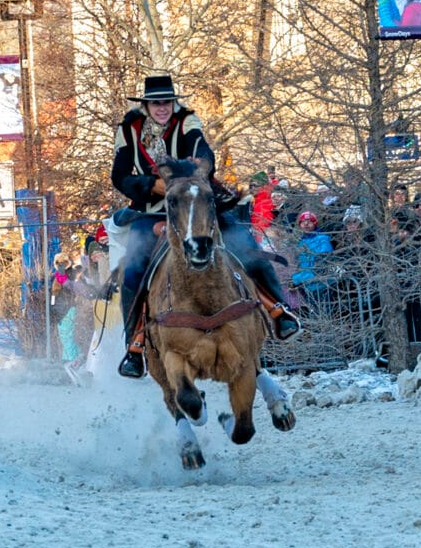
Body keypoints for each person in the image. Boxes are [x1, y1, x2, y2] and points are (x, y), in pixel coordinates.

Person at [110, 74, 301, 379]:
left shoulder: (187, 121)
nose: (162, 107)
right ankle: (135, 345)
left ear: (173, 102)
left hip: (195, 203)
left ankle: (279, 311)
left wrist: (199, 168)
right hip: (151, 211)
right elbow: (119, 176)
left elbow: (204, 152)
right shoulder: (128, 130)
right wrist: (151, 186)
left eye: (167, 101)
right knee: (132, 269)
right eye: (156, 103)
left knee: (244, 243)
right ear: (146, 105)